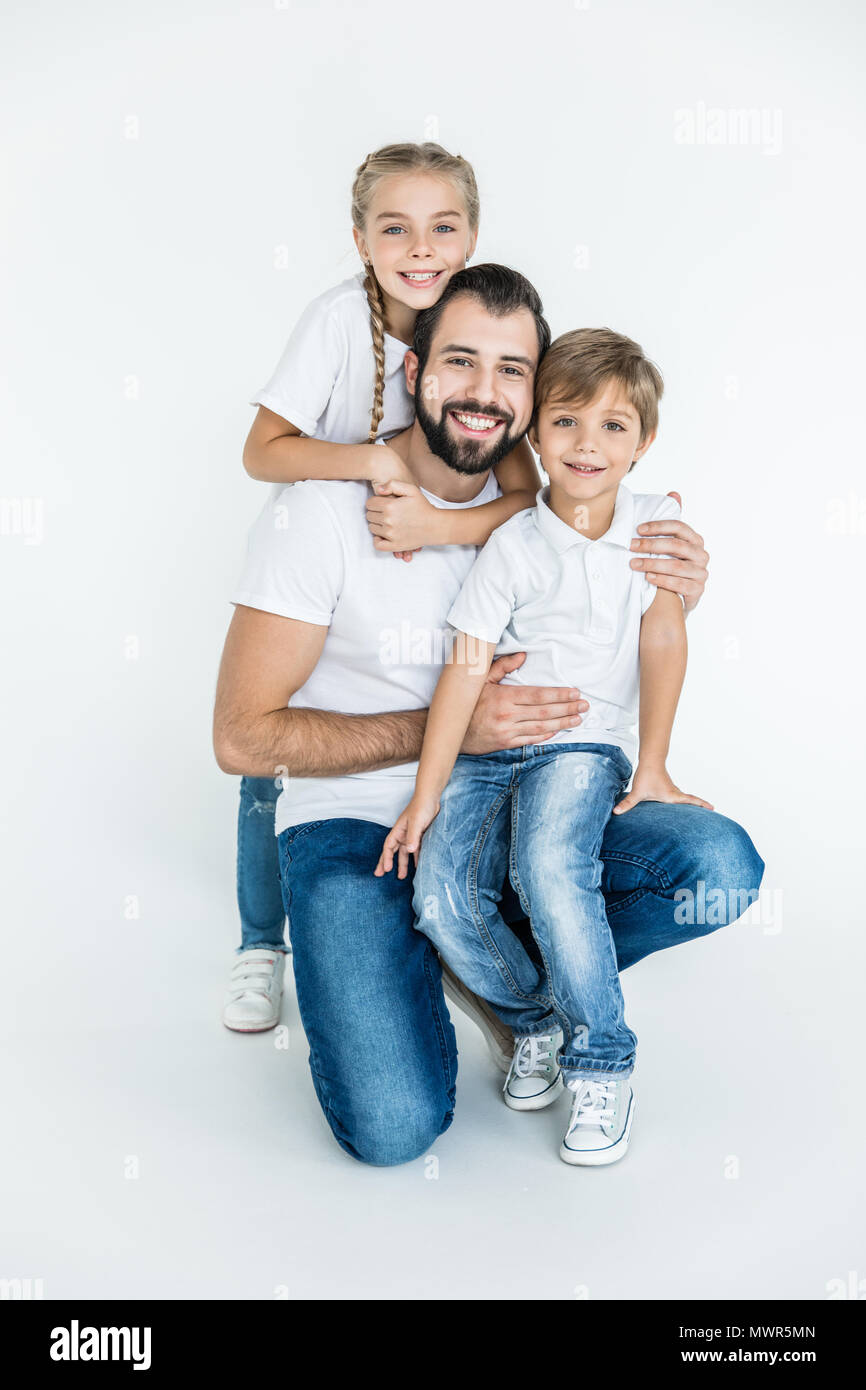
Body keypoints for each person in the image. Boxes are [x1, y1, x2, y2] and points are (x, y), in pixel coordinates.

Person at [213, 264, 763, 1167]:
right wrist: (446, 728)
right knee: (392, 1130)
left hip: (531, 798)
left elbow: (610, 610)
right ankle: (440, 948)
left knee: (719, 865)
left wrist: (671, 594)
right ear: (416, 369)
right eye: (460, 362)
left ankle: (507, 985)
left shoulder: (547, 518)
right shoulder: (317, 515)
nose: (483, 392)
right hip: (362, 826)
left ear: (537, 396)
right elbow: (241, 737)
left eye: (512, 370)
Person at [376, 326, 735, 1166]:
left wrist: (652, 764)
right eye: (567, 422)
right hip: (484, 755)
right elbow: (465, 672)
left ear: (644, 444)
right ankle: (532, 1017)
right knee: (441, 899)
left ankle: (601, 1056)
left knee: (546, 868)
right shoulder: (512, 545)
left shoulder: (656, 526)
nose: (588, 444)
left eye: (614, 427)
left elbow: (663, 640)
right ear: (534, 433)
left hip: (581, 745)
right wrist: (426, 794)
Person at [224, 143, 540, 1033]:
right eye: (394, 228)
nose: (421, 248)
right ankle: (259, 942)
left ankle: (467, 955)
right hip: (317, 556)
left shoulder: (478, 323)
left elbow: (522, 497)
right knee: (266, 766)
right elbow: (261, 451)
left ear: (472, 233)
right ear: (359, 238)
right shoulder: (339, 323)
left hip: (409, 555)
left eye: (444, 227)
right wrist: (363, 464)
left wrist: (439, 527)